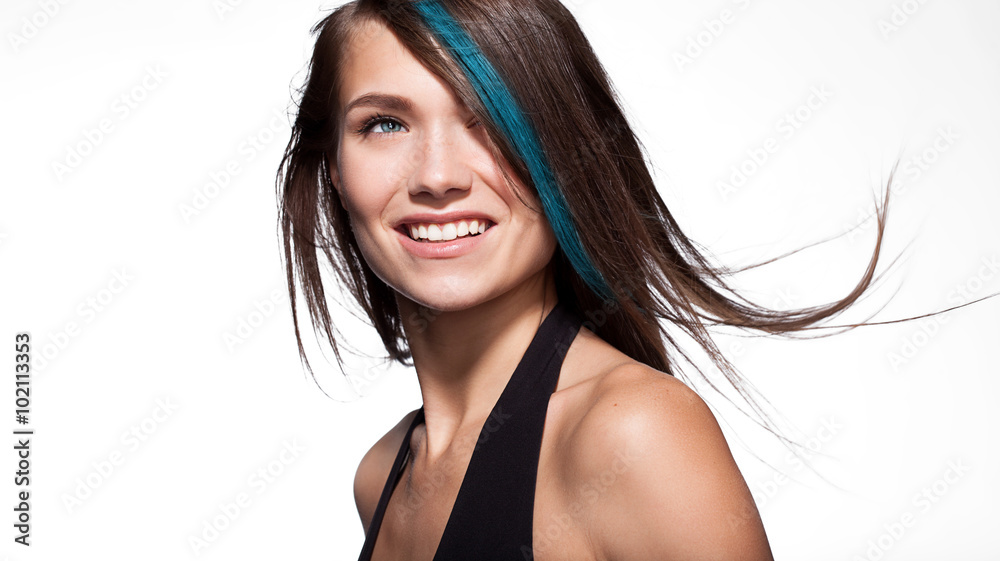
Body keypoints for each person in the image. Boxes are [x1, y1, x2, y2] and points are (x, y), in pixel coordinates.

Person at [277, 0, 897, 558]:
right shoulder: (380, 476)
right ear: (333, 166)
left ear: (563, 152)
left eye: (489, 117)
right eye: (385, 123)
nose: (437, 177)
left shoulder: (634, 435)